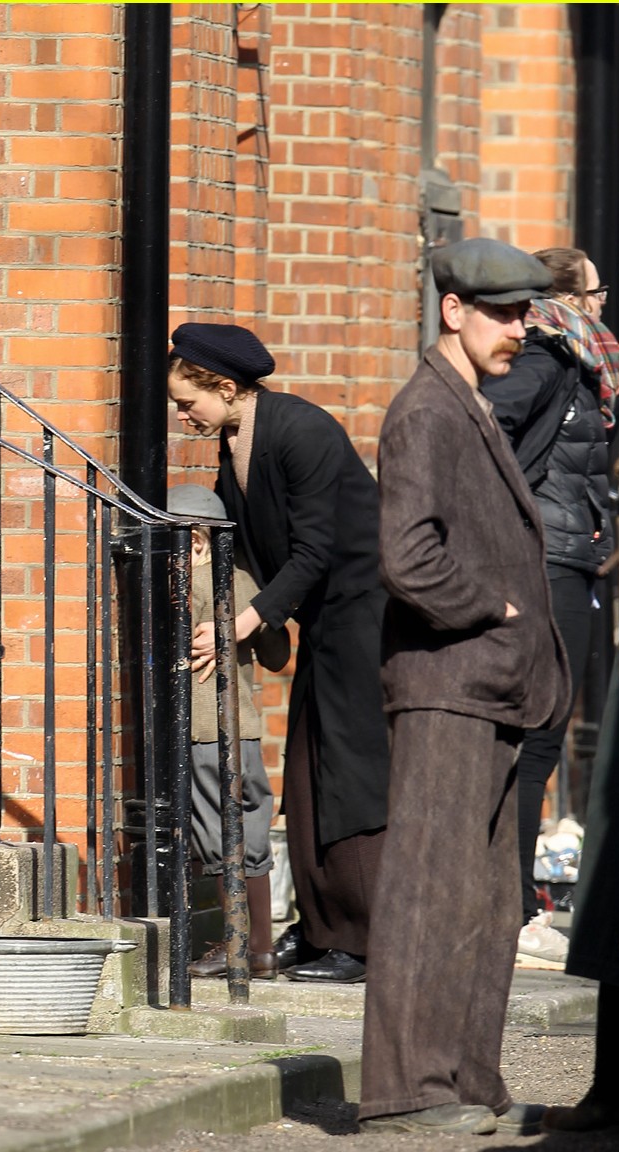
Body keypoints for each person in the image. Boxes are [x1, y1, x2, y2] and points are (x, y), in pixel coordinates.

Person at [358, 237, 572, 1135]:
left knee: (487, 900)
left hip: (485, 687)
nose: (519, 329)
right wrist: (500, 609)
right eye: (503, 313)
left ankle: (470, 1082)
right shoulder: (427, 412)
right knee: (427, 891)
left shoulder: (468, 404)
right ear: (454, 310)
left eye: (526, 313)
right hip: (448, 682)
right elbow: (408, 557)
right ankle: (408, 1091)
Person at [168, 323, 389, 984]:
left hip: (363, 613)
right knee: (308, 774)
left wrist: (244, 620)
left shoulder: (302, 431)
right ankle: (321, 930)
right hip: (323, 621)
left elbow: (316, 549)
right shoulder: (236, 440)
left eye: (189, 404)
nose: (184, 417)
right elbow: (248, 544)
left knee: (350, 773)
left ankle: (366, 937)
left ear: (226, 387)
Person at [482, 246, 619, 965]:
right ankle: (514, 912)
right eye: (599, 291)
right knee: (536, 734)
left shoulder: (576, 363)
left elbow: (577, 453)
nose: (606, 304)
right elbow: (490, 429)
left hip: (564, 553)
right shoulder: (547, 358)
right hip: (546, 562)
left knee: (537, 736)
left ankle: (512, 906)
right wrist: (514, 527)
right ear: (571, 297)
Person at [166, 482, 289, 979]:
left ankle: (243, 946)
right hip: (239, 728)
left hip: (208, 725)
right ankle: (257, 949)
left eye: (171, 539)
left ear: (196, 540)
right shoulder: (239, 581)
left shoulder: (197, 584)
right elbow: (278, 656)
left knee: (225, 835)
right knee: (243, 830)